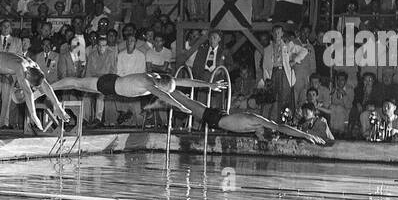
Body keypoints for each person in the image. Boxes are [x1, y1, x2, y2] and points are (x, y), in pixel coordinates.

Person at [50, 75, 326, 144]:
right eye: (265, 135)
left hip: (215, 117)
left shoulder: (257, 127)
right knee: (176, 95)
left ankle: (161, 101)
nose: (261, 136)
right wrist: (305, 135)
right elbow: (281, 127)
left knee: (177, 92)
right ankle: (47, 87)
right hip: (213, 117)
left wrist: (209, 84)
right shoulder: (259, 121)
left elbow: (182, 82)